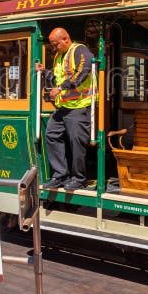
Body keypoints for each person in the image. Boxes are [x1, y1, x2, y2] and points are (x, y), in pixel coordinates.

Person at [35, 27, 95, 190]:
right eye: (52, 45)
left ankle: (79, 179)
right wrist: (44, 71)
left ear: (66, 39)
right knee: (51, 134)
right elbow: (58, 78)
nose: (54, 47)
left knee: (77, 143)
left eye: (56, 44)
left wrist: (61, 88)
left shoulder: (79, 50)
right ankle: (60, 175)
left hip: (79, 106)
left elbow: (83, 70)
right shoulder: (59, 56)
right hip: (63, 107)